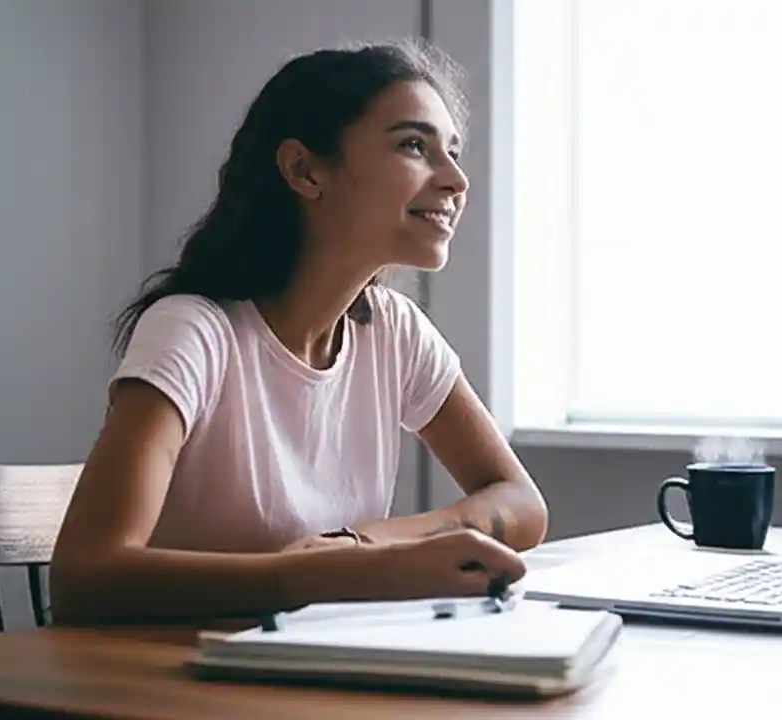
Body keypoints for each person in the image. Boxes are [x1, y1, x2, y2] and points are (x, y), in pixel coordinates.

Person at [49, 40, 548, 623]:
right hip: (174, 684)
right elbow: (85, 577)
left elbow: (522, 503)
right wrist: (344, 572)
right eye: (414, 145)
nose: (457, 180)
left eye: (452, 151)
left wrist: (373, 542)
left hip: (308, 667)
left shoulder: (394, 331)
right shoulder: (192, 332)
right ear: (305, 170)